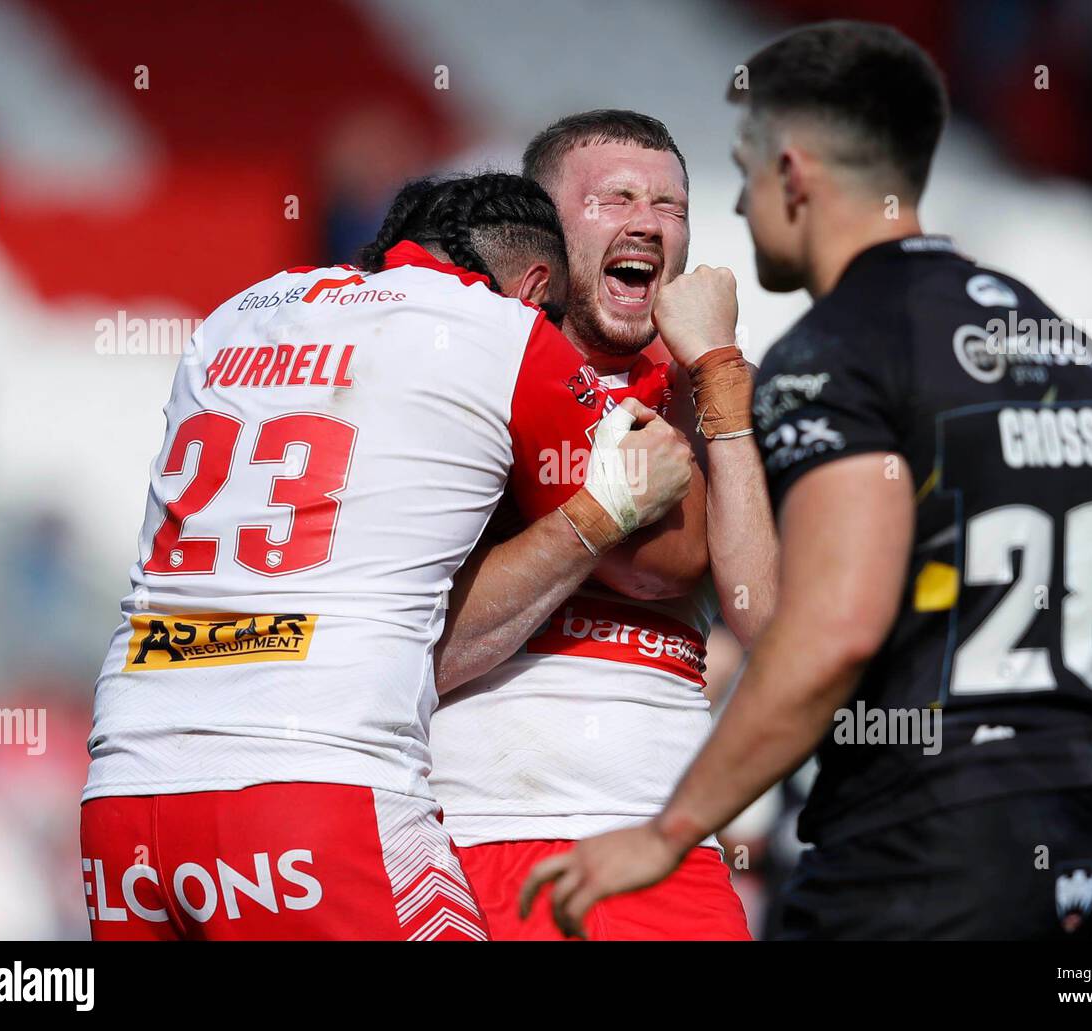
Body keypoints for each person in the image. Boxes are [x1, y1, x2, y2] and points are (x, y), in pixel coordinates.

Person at [522, 21, 1092, 941]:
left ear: (793, 174)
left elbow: (830, 627)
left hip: (915, 876)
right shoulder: (1063, 349)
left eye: (744, 174)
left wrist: (669, 830)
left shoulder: (837, 360)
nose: (739, 209)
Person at [78, 173, 693, 940]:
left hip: (122, 796)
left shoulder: (239, 312)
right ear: (536, 284)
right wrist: (694, 387)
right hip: (312, 788)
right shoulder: (501, 327)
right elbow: (666, 559)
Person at [428, 111, 777, 940]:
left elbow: (765, 616)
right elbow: (423, 653)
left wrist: (720, 375)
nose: (647, 223)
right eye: (614, 198)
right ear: (544, 233)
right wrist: (601, 521)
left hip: (659, 845)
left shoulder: (711, 386)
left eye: (671, 205)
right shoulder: (473, 372)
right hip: (475, 831)